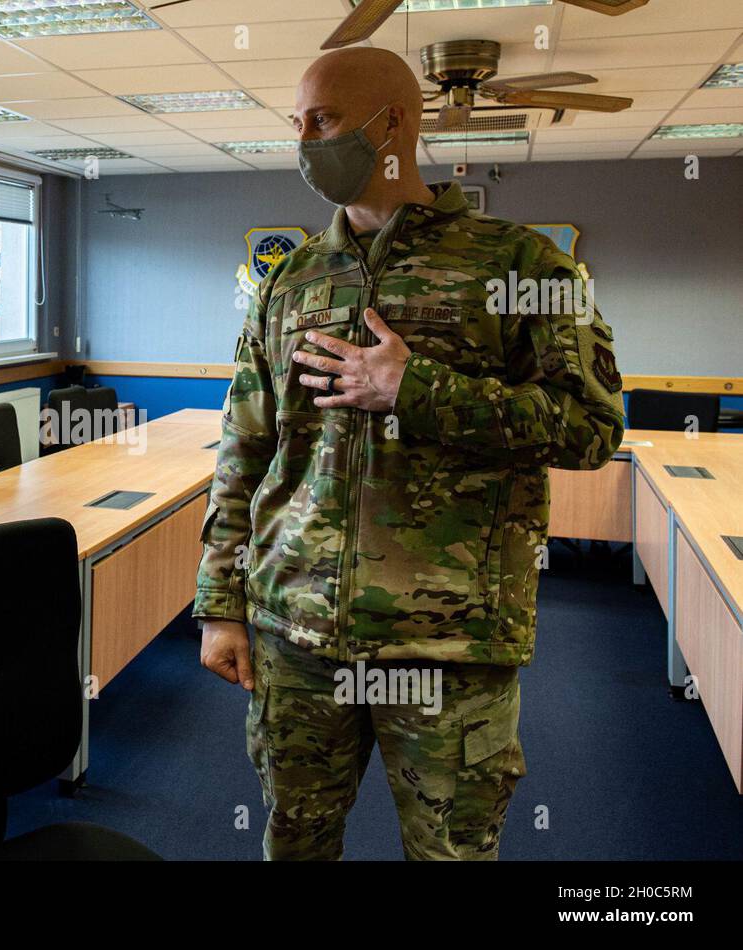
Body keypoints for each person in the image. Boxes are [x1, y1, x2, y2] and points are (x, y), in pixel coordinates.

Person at [195, 48, 625, 860]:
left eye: (321, 121)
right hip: (298, 635)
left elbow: (592, 428)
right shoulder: (289, 280)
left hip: (449, 646)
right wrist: (222, 602)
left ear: (393, 121)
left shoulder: (521, 265)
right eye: (297, 124)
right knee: (296, 844)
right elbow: (246, 447)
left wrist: (418, 390)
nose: (305, 141)